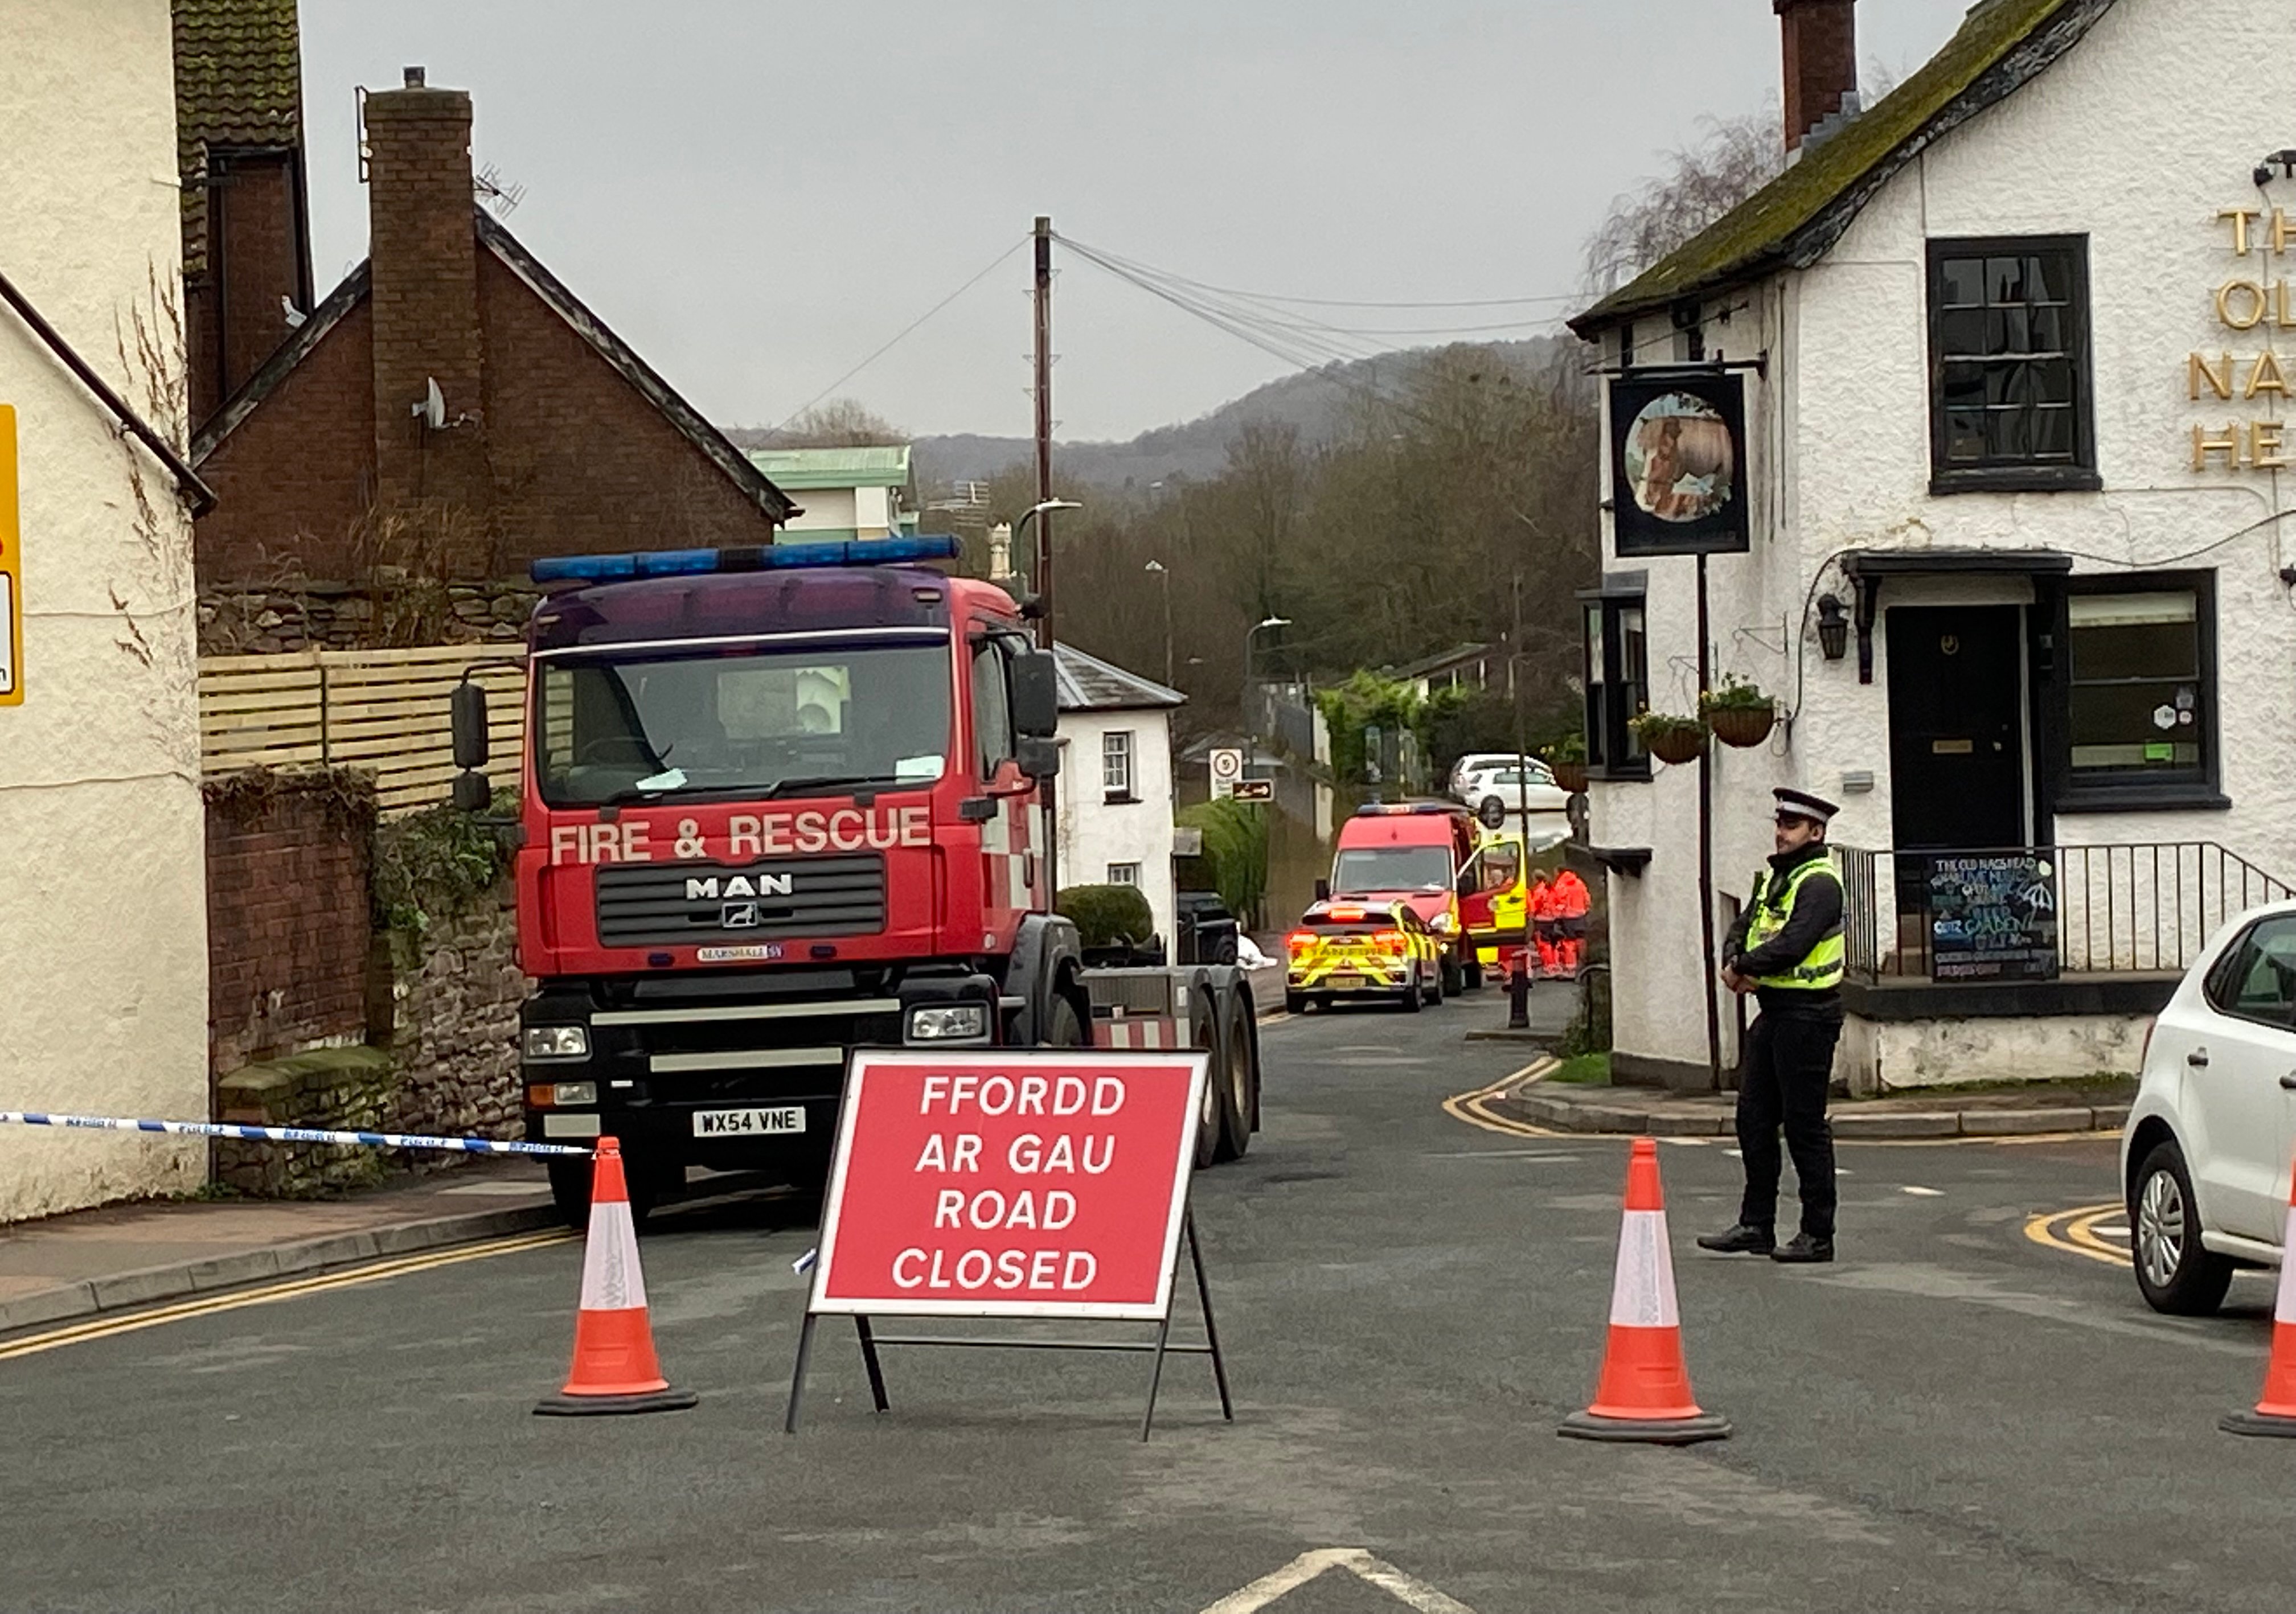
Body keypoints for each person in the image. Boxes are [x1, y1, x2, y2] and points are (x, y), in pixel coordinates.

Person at [1698, 787, 1846, 1264]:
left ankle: (1817, 1234)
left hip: (1809, 1016)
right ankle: (1756, 1224)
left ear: (1816, 832)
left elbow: (1795, 943)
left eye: (1791, 825)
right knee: (1754, 1119)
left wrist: (1742, 965)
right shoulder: (1775, 879)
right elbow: (1742, 924)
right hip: (1775, 1012)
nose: (1781, 833)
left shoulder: (1820, 883)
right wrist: (1732, 957)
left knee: (1805, 1126)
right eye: (1779, 823)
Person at [1550, 866, 1590, 975]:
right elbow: (1587, 899)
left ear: (1559, 873)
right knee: (1581, 939)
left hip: (1568, 917)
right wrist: (1585, 910)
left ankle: (1570, 968)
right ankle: (1583, 962)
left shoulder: (1561, 884)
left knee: (1569, 942)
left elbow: (1560, 901)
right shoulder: (1579, 883)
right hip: (1581, 915)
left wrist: (1556, 916)